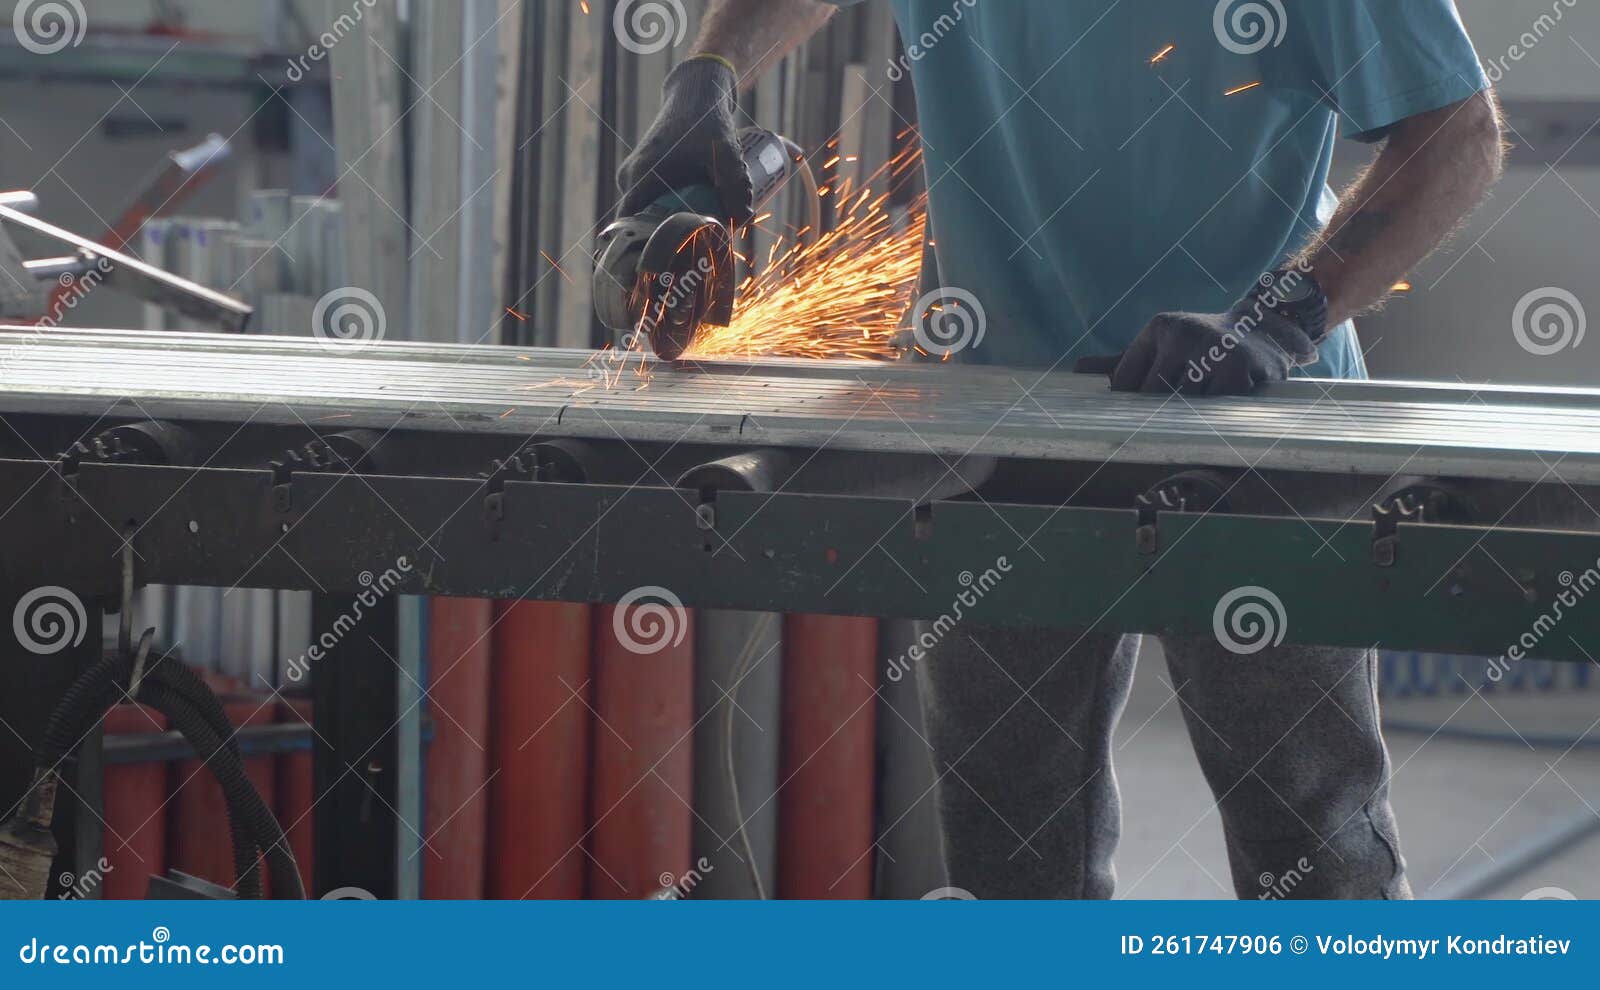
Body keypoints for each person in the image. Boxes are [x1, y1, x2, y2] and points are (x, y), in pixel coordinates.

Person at [619, 0, 1505, 898]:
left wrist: (1282, 317)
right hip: (999, 417)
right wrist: (712, 71)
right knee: (1012, 857)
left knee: (1313, 847)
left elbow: (1459, 134)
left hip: (1254, 425)